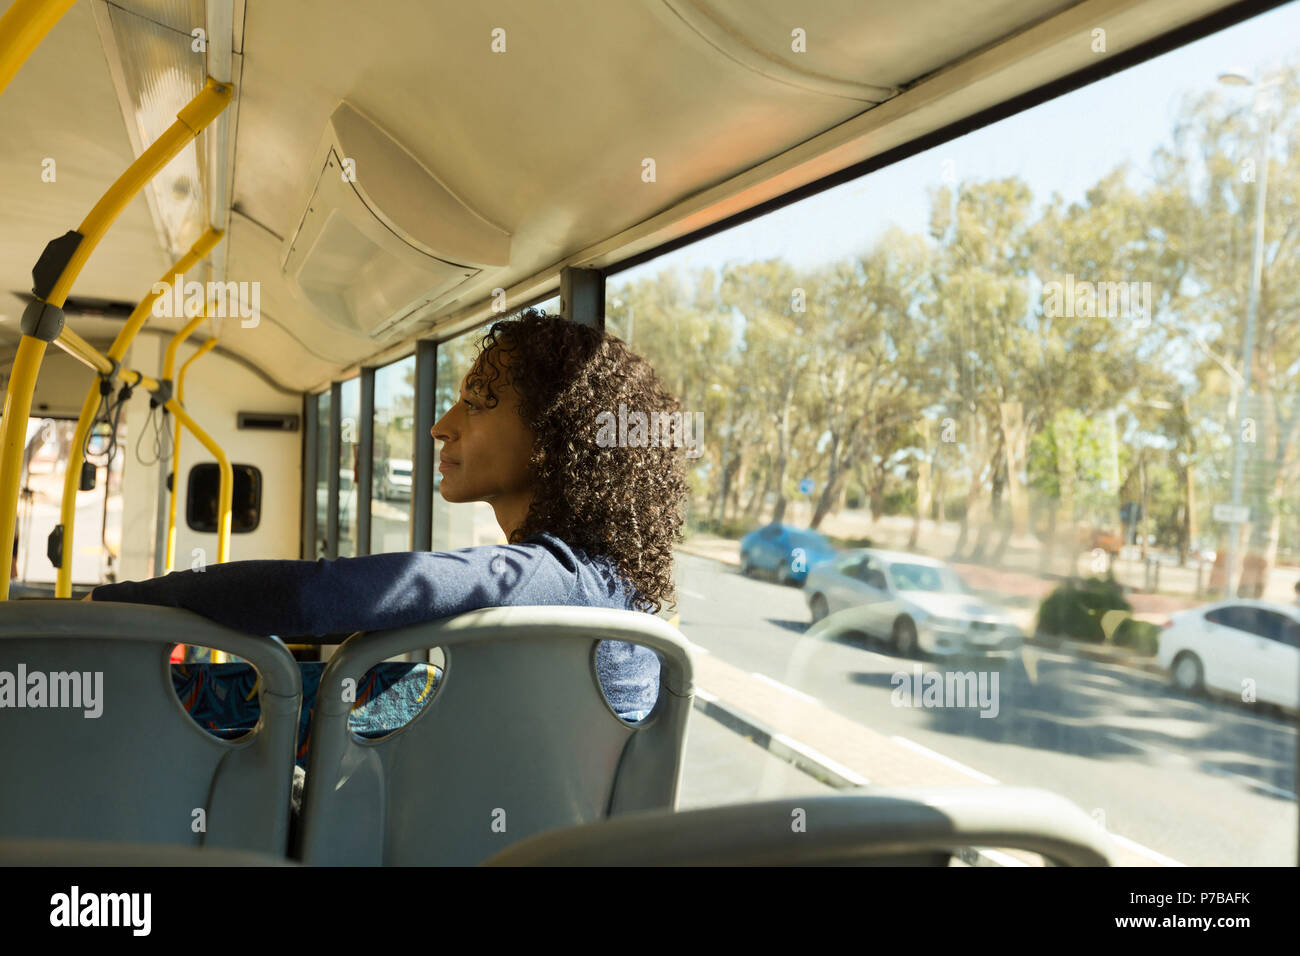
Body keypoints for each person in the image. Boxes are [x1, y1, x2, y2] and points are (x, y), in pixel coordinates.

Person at [87, 309, 689, 840]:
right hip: (519, 826)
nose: (442, 425)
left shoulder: (542, 582)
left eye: (478, 404)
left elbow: (316, 596)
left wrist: (118, 604)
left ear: (556, 436)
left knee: (273, 694)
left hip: (466, 826)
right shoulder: (614, 592)